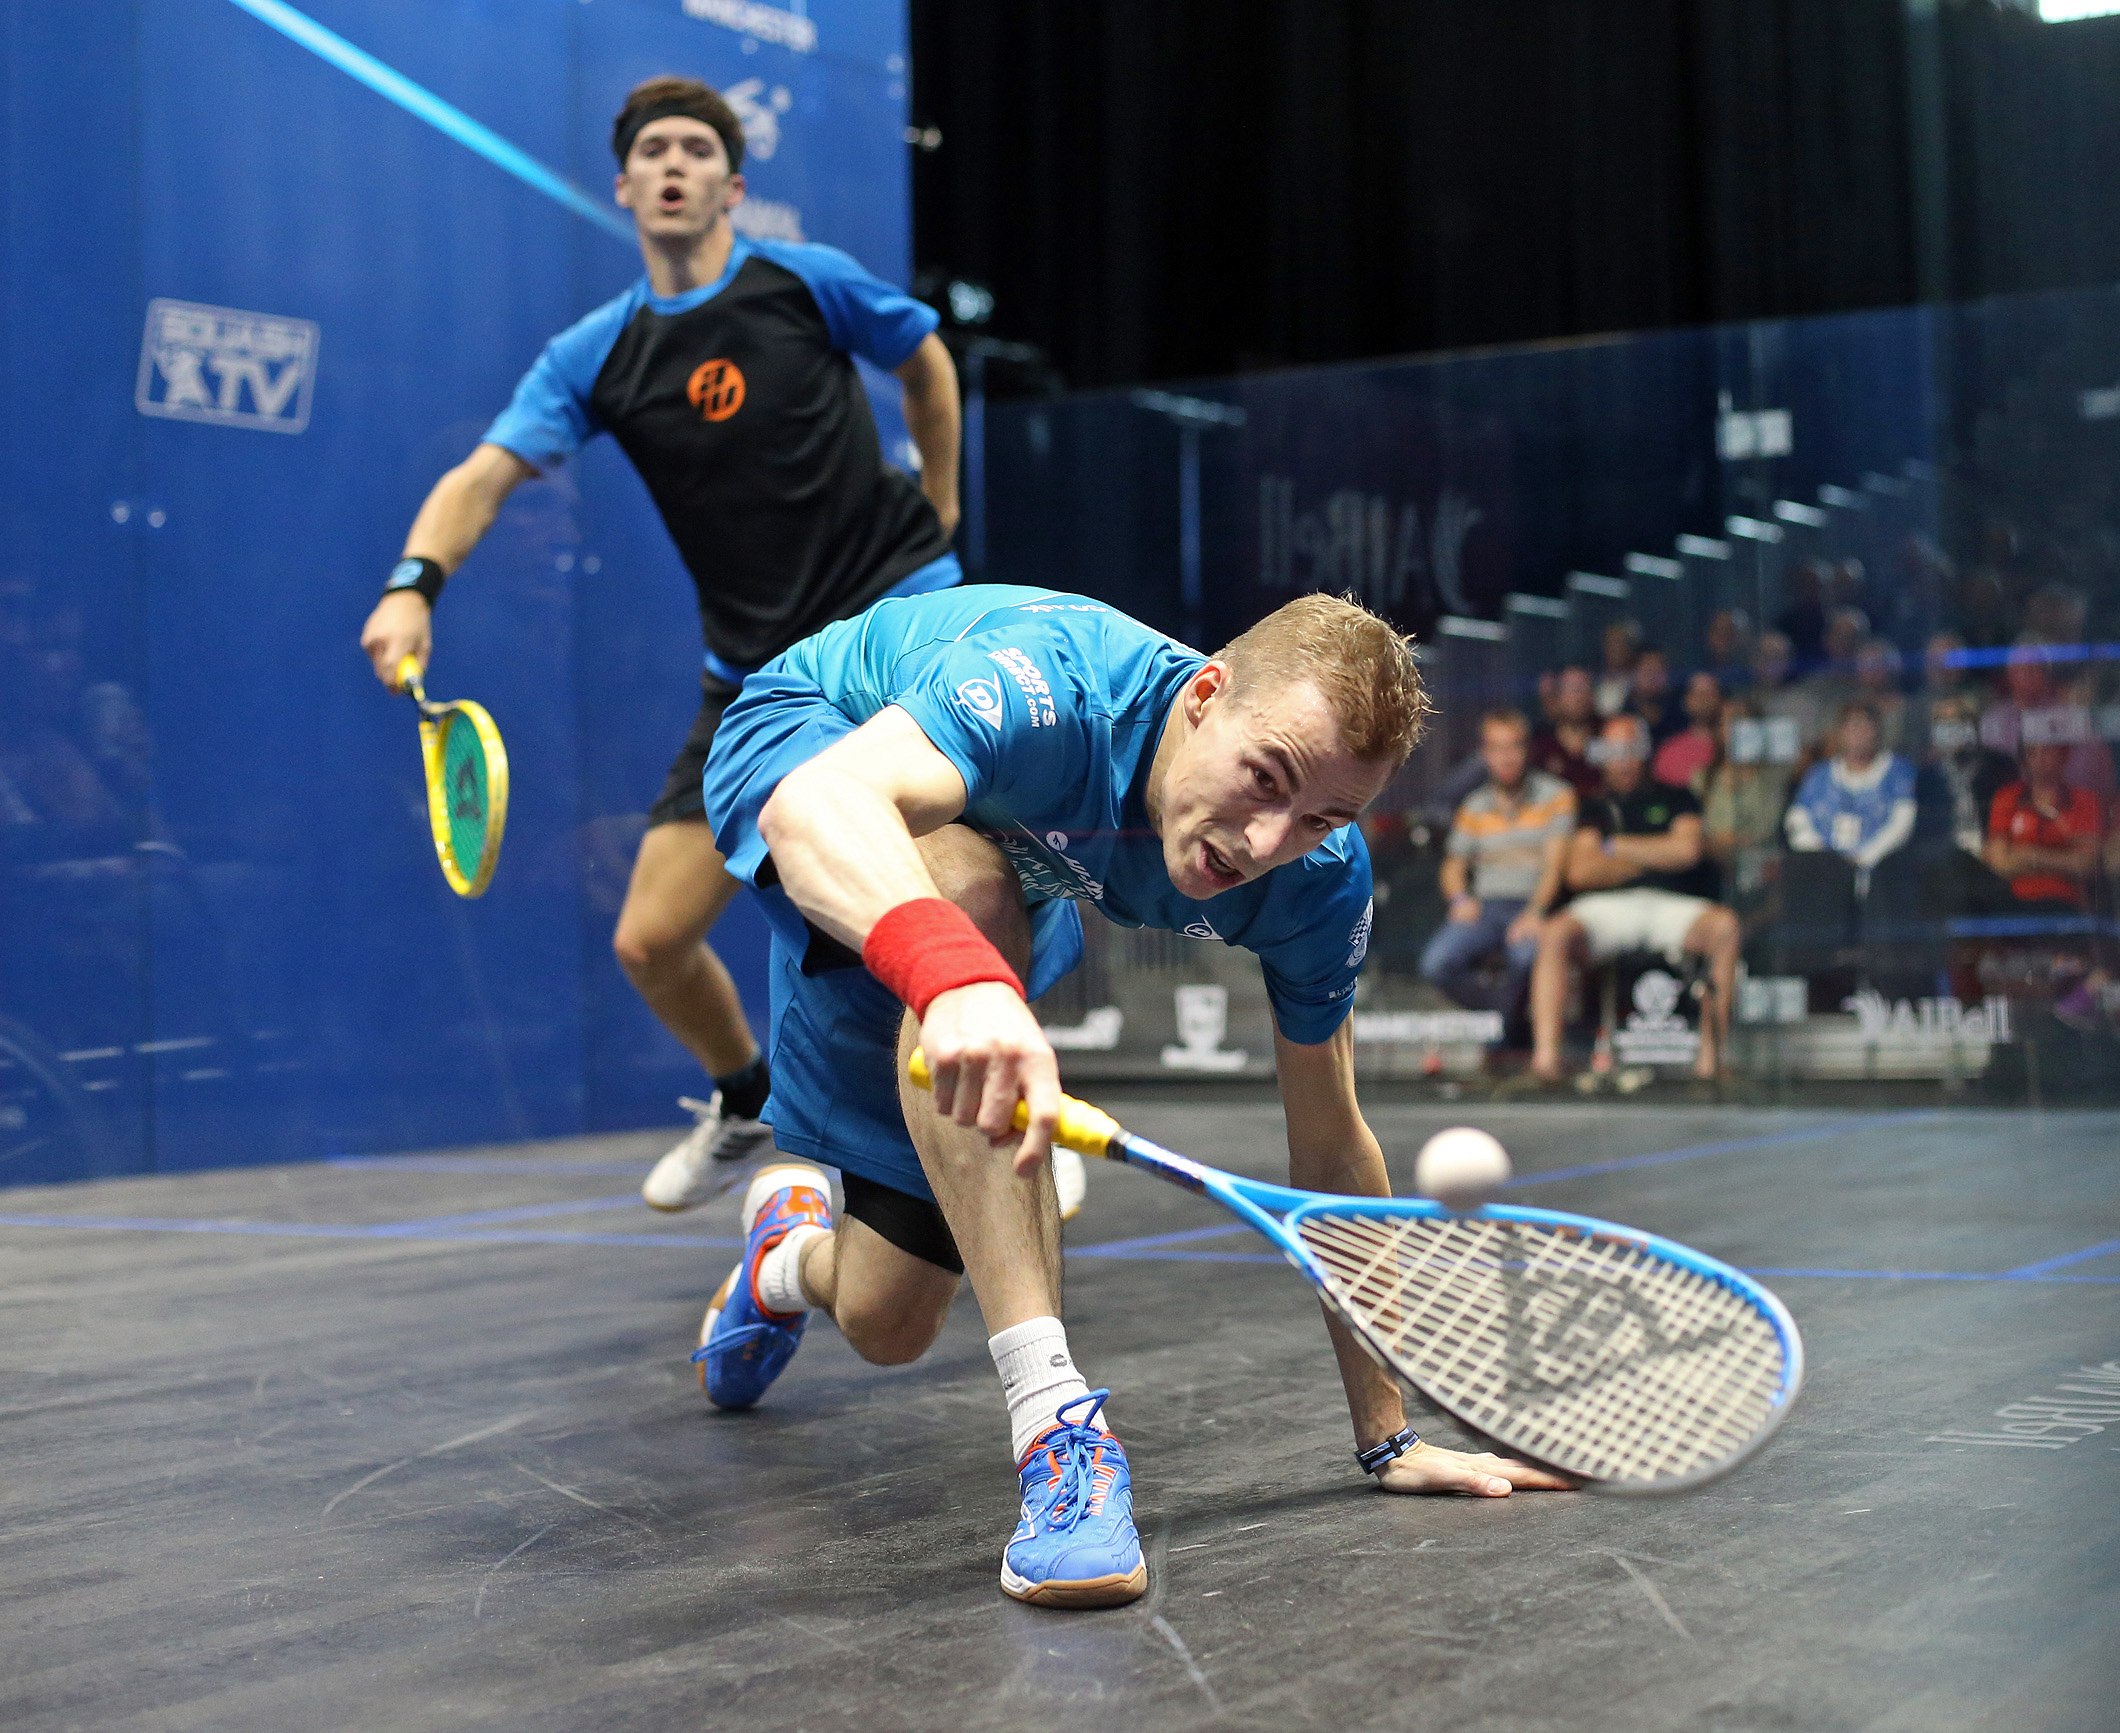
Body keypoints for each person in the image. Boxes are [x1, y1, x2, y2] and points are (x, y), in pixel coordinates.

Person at [696, 586, 1568, 1611]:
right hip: (820, 749)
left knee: (887, 1319)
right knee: (972, 902)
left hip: (1001, 877)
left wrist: (1390, 1435)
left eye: (1320, 816)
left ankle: (782, 1258)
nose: (1266, 840)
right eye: (1265, 777)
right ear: (1204, 694)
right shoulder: (1048, 688)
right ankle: (1056, 1430)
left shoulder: (1315, 880)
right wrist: (957, 980)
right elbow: (815, 805)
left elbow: (1332, 1143)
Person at [356, 78, 964, 1210]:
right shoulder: (595, 355)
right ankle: (745, 1097)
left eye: (695, 148)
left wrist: (941, 495)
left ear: (732, 186)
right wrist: (411, 586)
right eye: (653, 151)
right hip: (756, 673)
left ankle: (1009, 1117)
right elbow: (481, 477)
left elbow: (923, 358)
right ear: (626, 186)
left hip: (892, 624)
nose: (673, 163)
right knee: (650, 940)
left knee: (945, 889)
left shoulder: (805, 281)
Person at [1527, 714, 1738, 1084]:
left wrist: (1612, 847)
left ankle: (1710, 1059)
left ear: (1644, 751)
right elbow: (1580, 872)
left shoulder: (1677, 796)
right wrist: (1657, 853)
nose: (1621, 760)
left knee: (1726, 927)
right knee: (1555, 933)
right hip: (1605, 908)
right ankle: (1546, 1060)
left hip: (1670, 904)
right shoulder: (1591, 805)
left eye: (1629, 749)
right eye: (1612, 751)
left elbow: (1688, 851)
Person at [1419, 710, 1575, 1023]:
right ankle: (1501, 1018)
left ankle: (1509, 1028)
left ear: (1527, 750)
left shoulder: (1556, 795)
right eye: (1497, 748)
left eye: (1514, 746)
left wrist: (1535, 913)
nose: (1507, 757)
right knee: (1436, 963)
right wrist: (1460, 900)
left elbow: (1555, 867)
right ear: (1485, 754)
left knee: (1526, 959)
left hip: (1536, 905)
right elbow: (1453, 866)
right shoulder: (1473, 806)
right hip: (1485, 909)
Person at [1783, 702, 1917, 878]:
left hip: (1881, 873)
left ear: (1877, 730)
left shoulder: (1897, 771)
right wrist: (1825, 859)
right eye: (1852, 726)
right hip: (1823, 872)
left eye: (1865, 726)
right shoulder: (1819, 774)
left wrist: (1863, 859)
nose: (1858, 734)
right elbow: (1797, 819)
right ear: (1840, 732)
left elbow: (1902, 823)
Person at [1985, 743, 2101, 911]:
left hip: (2065, 903)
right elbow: (1999, 862)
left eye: (2046, 751)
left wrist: (2030, 856)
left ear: (2062, 754)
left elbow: (2086, 864)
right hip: (2011, 903)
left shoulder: (2084, 800)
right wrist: (2061, 861)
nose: (2039, 759)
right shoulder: (2007, 797)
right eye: (2031, 752)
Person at [1530, 664, 1601, 800]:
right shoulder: (1541, 742)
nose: (1578, 697)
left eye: (1584, 688)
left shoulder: (1608, 734)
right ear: (1557, 696)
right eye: (1572, 689)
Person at [1651, 670, 1722, 792]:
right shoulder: (1669, 751)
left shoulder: (1729, 747)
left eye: (1709, 692)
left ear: (1720, 699)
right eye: (1696, 693)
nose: (1702, 698)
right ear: (1686, 701)